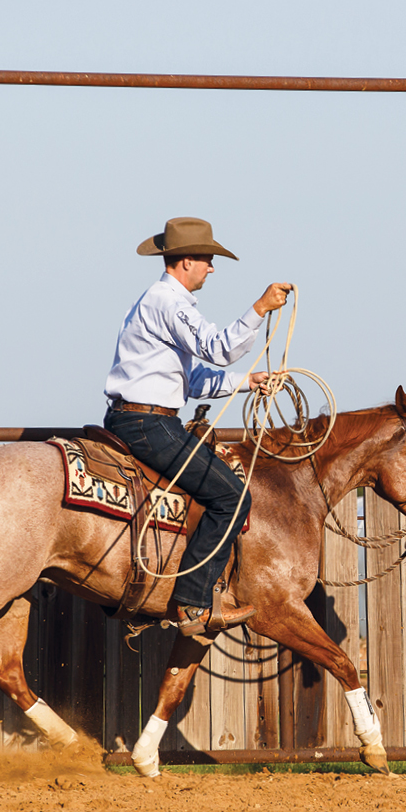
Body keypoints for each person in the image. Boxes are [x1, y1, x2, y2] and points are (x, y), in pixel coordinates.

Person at [103, 216, 291, 636]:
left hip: (138, 417)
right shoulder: (169, 303)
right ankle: (191, 603)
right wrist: (259, 308)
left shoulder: (157, 303)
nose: (211, 267)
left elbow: (193, 379)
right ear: (186, 261)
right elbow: (218, 349)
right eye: (207, 259)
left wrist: (248, 382)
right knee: (232, 498)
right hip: (148, 424)